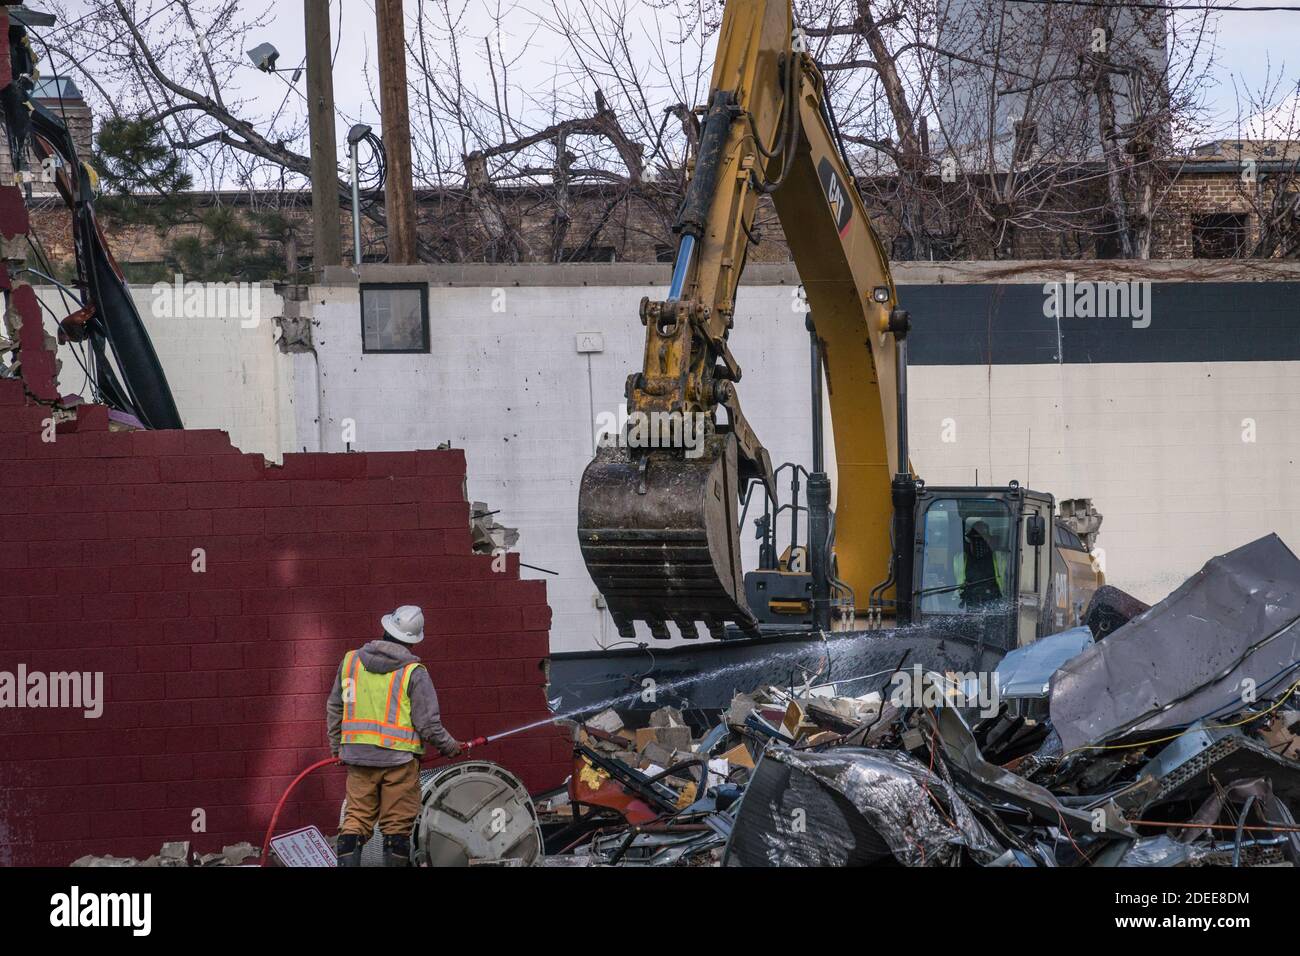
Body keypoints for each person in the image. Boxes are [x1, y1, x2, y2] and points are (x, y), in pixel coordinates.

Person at [326, 605, 463, 867]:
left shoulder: (351, 662)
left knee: (355, 820)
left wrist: (337, 748)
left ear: (386, 628)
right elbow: (428, 725)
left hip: (357, 758)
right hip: (399, 762)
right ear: (414, 639)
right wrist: (450, 747)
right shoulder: (414, 672)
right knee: (397, 825)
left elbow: (335, 707)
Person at [953, 520, 1008, 608]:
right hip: (967, 605)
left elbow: (1009, 585)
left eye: (983, 539)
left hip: (995, 606)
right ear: (969, 540)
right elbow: (951, 584)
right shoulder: (959, 559)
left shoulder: (1000, 558)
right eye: (975, 539)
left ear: (990, 539)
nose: (979, 542)